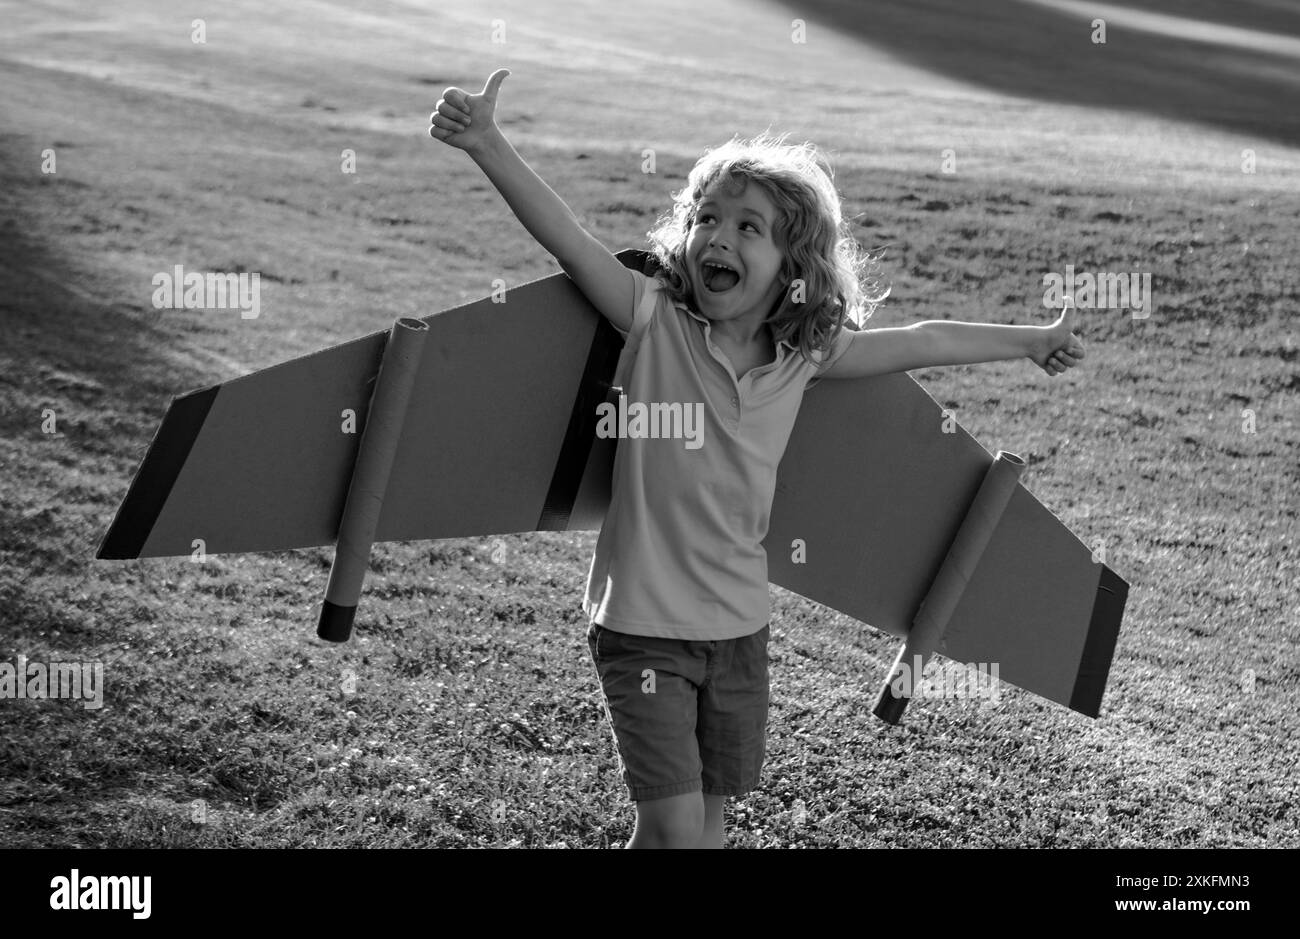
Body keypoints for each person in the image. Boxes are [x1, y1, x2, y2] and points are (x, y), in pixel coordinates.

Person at [429, 69, 1084, 849]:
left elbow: (923, 341)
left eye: (749, 228)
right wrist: (486, 143)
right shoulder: (653, 322)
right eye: (707, 217)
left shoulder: (805, 356)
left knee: (702, 831)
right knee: (670, 826)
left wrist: (1030, 343)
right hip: (641, 625)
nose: (719, 236)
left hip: (738, 630)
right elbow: (567, 238)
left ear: (792, 265)